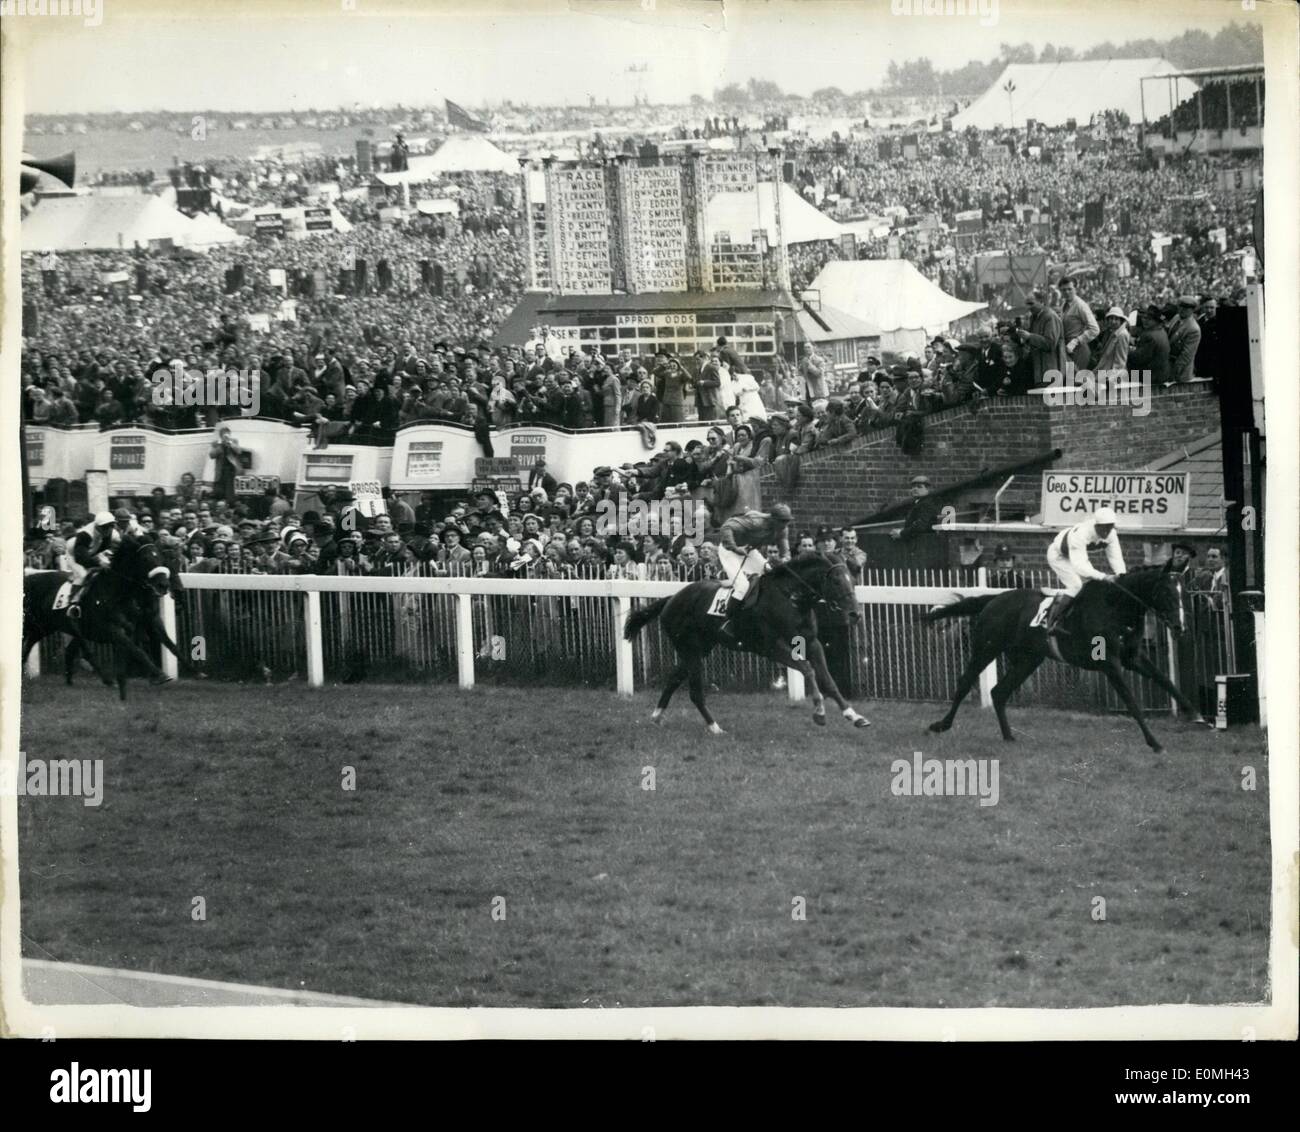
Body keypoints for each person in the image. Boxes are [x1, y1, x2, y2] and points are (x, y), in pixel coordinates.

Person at [1042, 506, 1126, 641]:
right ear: (1096, 525)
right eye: (1103, 527)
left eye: (1110, 526)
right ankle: (1055, 622)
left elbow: (1116, 558)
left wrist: (1122, 576)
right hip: (1059, 556)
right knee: (1076, 585)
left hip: (1076, 557)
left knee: (1094, 586)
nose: (1106, 531)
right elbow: (1079, 565)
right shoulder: (1081, 534)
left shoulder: (1112, 534)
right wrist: (1104, 576)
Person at [714, 503, 793, 645]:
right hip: (730, 550)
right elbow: (726, 527)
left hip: (749, 550)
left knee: (768, 571)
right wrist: (735, 548)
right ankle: (728, 622)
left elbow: (783, 542)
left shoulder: (782, 528)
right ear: (773, 519)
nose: (785, 525)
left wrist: (785, 557)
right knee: (742, 586)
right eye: (782, 521)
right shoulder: (755, 522)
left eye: (787, 521)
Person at [890, 475, 943, 541]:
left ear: (927, 489)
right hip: (919, 542)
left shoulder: (926, 504)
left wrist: (901, 533)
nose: (915, 489)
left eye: (919, 487)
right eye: (913, 487)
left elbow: (920, 526)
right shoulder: (918, 503)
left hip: (924, 542)